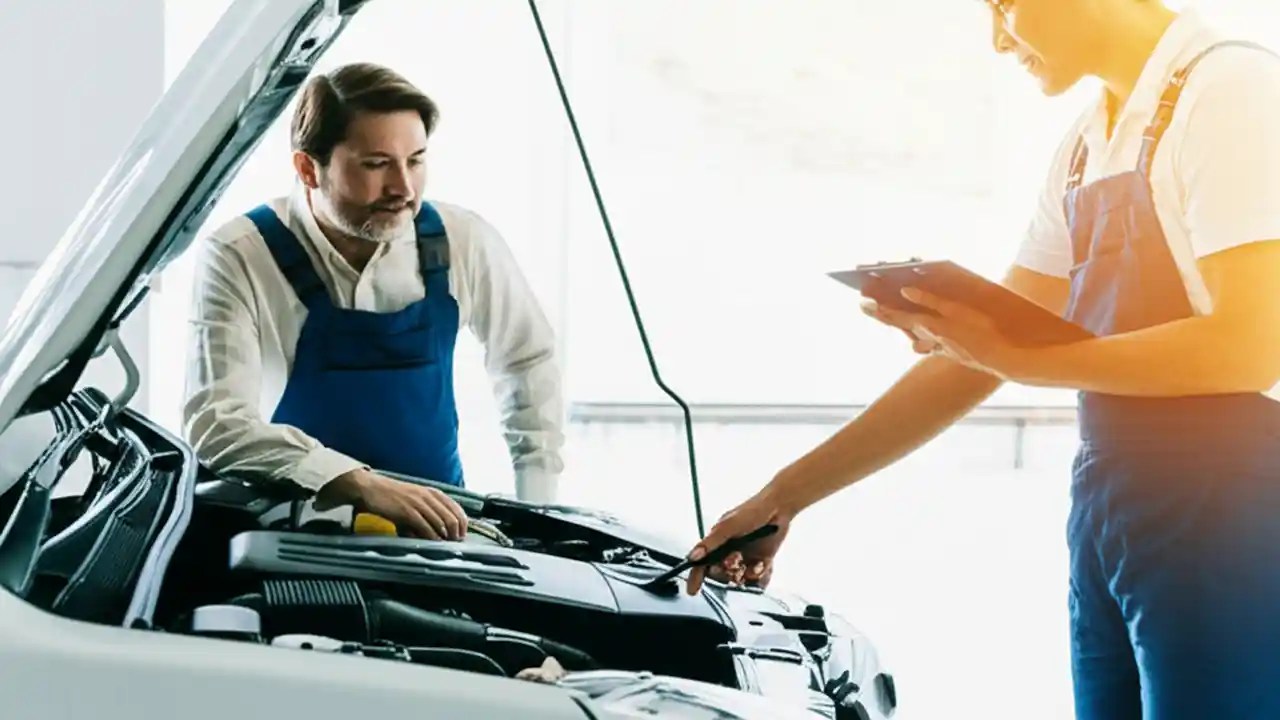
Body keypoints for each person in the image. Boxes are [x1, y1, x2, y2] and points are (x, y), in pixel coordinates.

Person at [685, 2, 1280, 718]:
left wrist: (1023, 359)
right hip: (1110, 508)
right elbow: (984, 359)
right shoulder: (1089, 143)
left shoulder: (1232, 94)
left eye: (1004, 6)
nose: (1000, 41)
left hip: (1222, 512)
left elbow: (1252, 345)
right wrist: (781, 498)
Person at [183, 62, 565, 542]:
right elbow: (217, 422)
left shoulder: (462, 240)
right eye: (377, 164)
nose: (403, 188)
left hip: (438, 529)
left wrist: (538, 509)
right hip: (296, 532)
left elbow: (528, 360)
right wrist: (359, 484)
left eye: (416, 160)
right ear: (307, 167)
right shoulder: (242, 253)